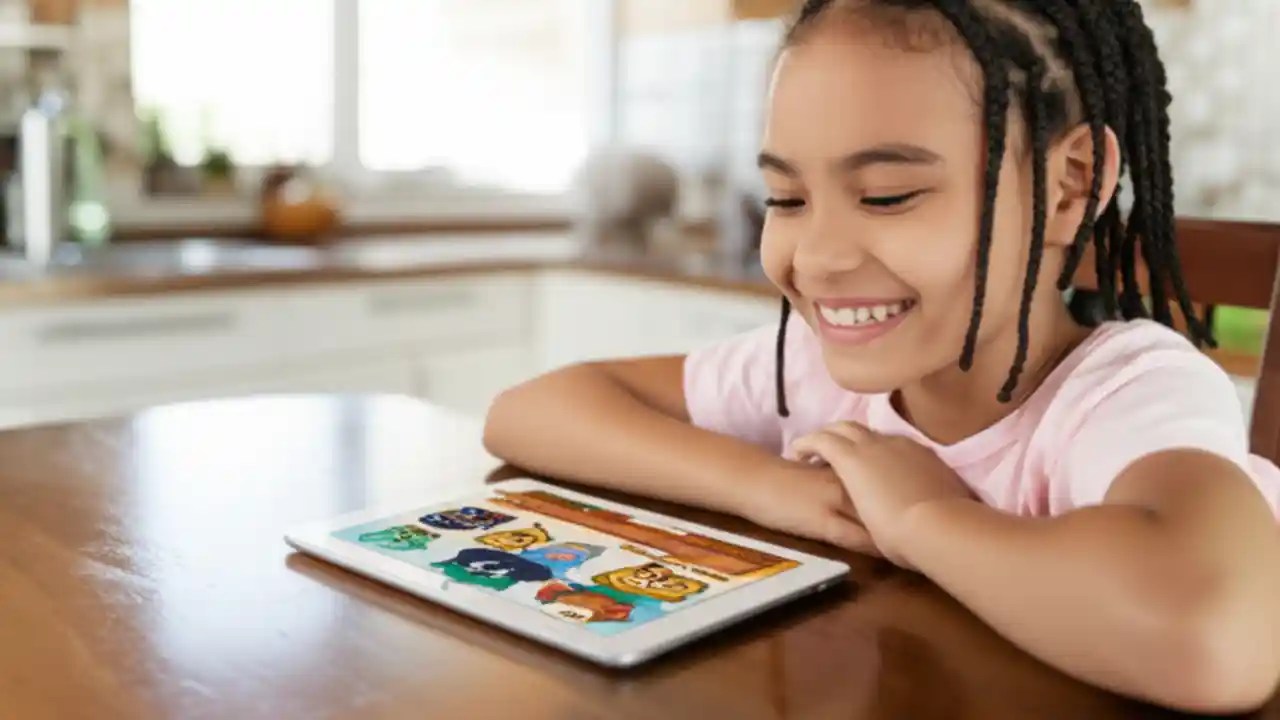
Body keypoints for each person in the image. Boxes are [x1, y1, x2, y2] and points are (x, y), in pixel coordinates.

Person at [484, 0, 1280, 712]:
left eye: (887, 196)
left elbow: (1214, 640)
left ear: (1070, 186)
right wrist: (768, 487)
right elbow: (527, 413)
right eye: (787, 199)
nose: (819, 255)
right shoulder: (813, 371)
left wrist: (924, 519)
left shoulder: (1129, 392)